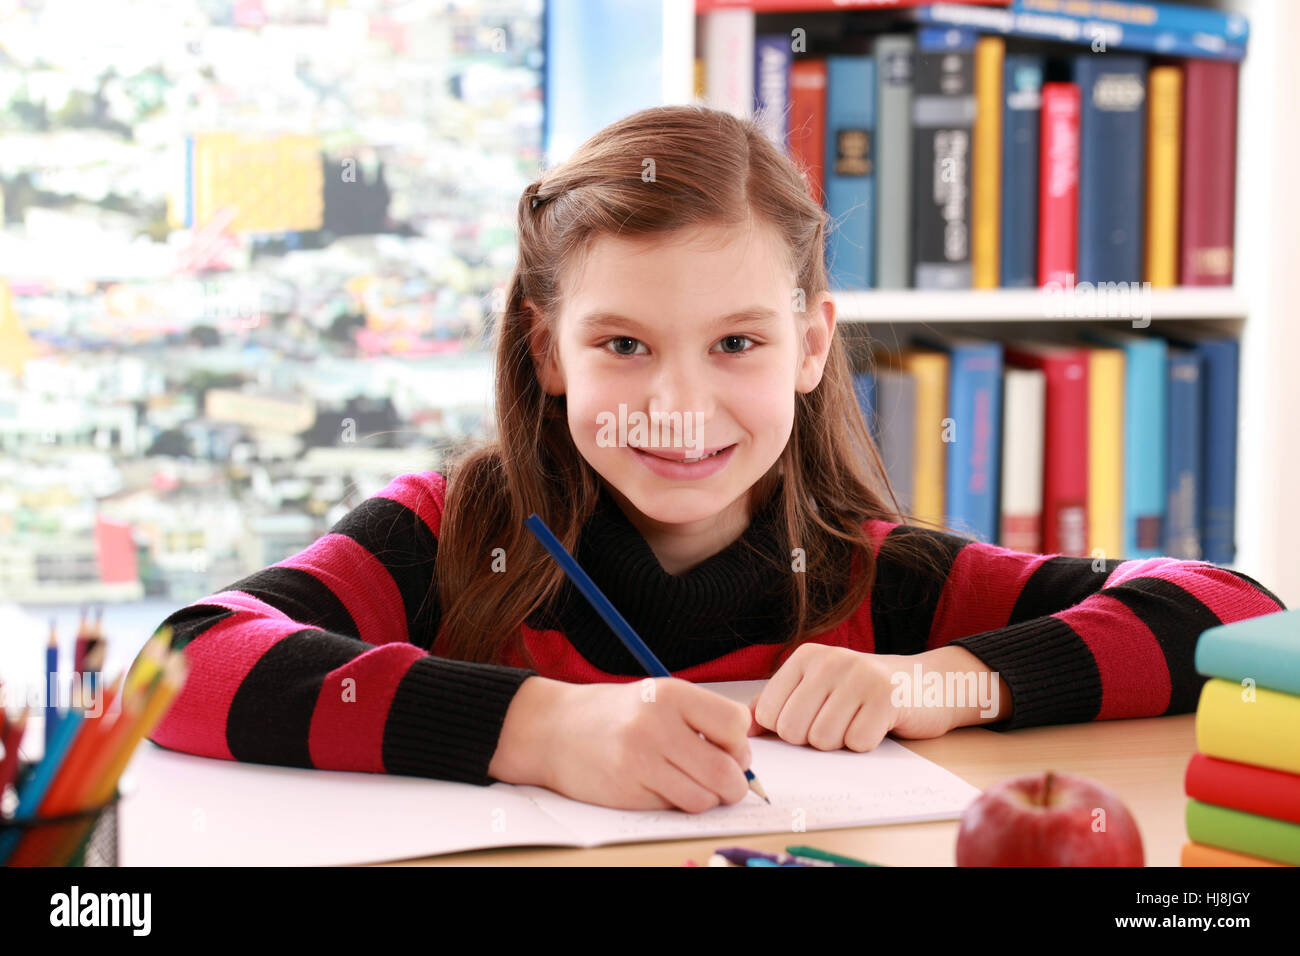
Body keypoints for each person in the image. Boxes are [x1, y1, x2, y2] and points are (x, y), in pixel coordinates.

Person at [146, 105, 1285, 814]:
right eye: (623, 345)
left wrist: (935, 678)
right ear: (549, 350)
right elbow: (182, 659)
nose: (678, 406)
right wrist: (540, 730)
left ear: (809, 344)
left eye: (735, 342)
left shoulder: (879, 576)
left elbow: (1230, 613)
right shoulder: (444, 536)